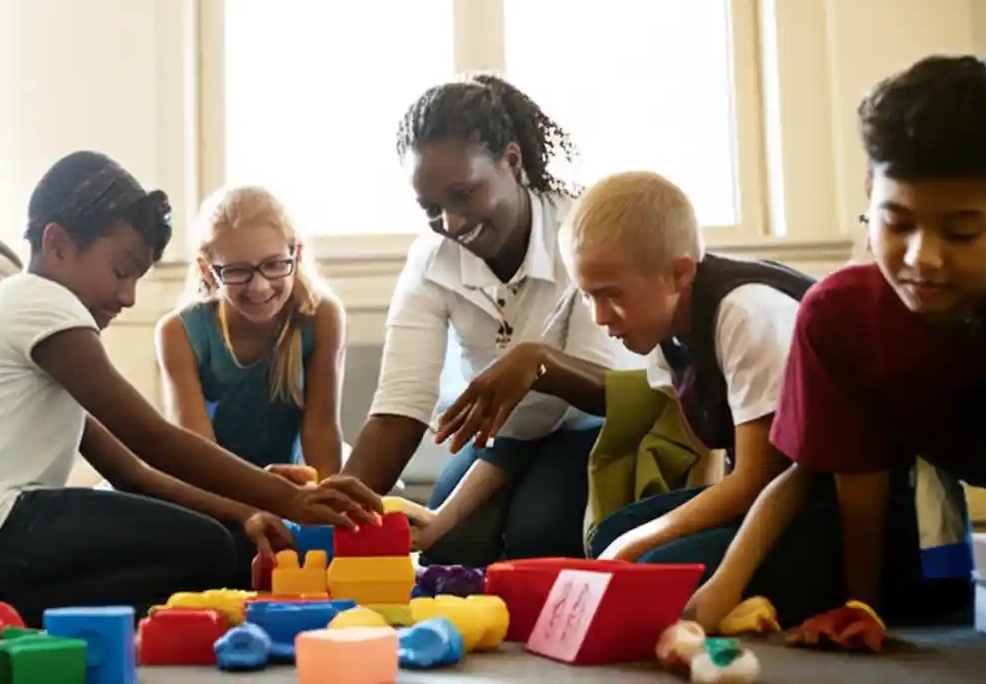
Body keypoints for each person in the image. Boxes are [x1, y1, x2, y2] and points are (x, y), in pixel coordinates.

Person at [0, 151, 381, 627]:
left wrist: (250, 510)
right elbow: (151, 438)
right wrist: (287, 501)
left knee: (225, 542)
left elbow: (129, 470)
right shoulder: (42, 307)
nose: (128, 296)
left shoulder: (27, 319)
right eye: (121, 272)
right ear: (58, 245)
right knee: (212, 551)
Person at [688, 54, 986, 630]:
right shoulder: (842, 316)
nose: (922, 259)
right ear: (868, 195)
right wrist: (863, 607)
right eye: (898, 223)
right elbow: (845, 473)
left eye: (960, 232)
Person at [434, 171, 812, 573]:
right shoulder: (670, 328)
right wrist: (636, 535)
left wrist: (641, 542)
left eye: (611, 294)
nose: (598, 317)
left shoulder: (744, 314)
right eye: (587, 295)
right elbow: (708, 459)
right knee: (615, 531)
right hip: (766, 494)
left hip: (815, 501)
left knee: (650, 561)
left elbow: (758, 478)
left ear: (679, 273)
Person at [340, 74, 634, 565]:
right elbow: (398, 409)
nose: (451, 224)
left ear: (512, 162)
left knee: (538, 535)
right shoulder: (430, 261)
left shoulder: (581, 231)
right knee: (451, 549)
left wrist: (536, 363)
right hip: (507, 438)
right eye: (430, 208)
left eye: (464, 194)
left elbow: (608, 391)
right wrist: (334, 514)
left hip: (595, 423)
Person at [157, 185, 344, 479]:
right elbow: (196, 457)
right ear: (208, 271)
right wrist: (259, 495)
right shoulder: (178, 333)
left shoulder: (322, 317)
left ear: (296, 256)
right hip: (212, 486)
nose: (259, 286)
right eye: (237, 271)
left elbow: (321, 434)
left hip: (290, 482)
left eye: (273, 264)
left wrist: (321, 498)